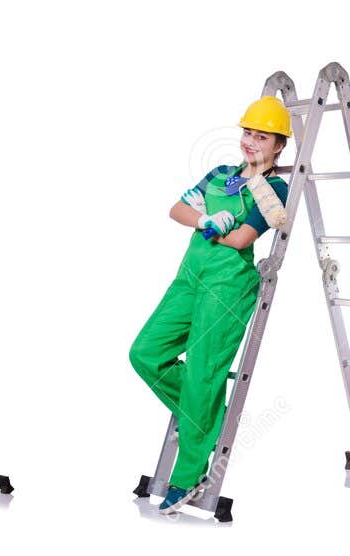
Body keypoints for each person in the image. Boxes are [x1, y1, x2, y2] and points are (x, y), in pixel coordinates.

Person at [130, 97, 293, 514]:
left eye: (262, 136)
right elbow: (177, 209)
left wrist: (218, 228)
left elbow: (243, 239)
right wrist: (203, 221)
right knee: (146, 352)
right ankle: (207, 419)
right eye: (248, 133)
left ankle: (186, 479)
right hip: (190, 277)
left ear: (279, 145)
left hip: (227, 285)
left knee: (204, 372)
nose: (251, 142)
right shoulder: (220, 173)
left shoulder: (276, 187)